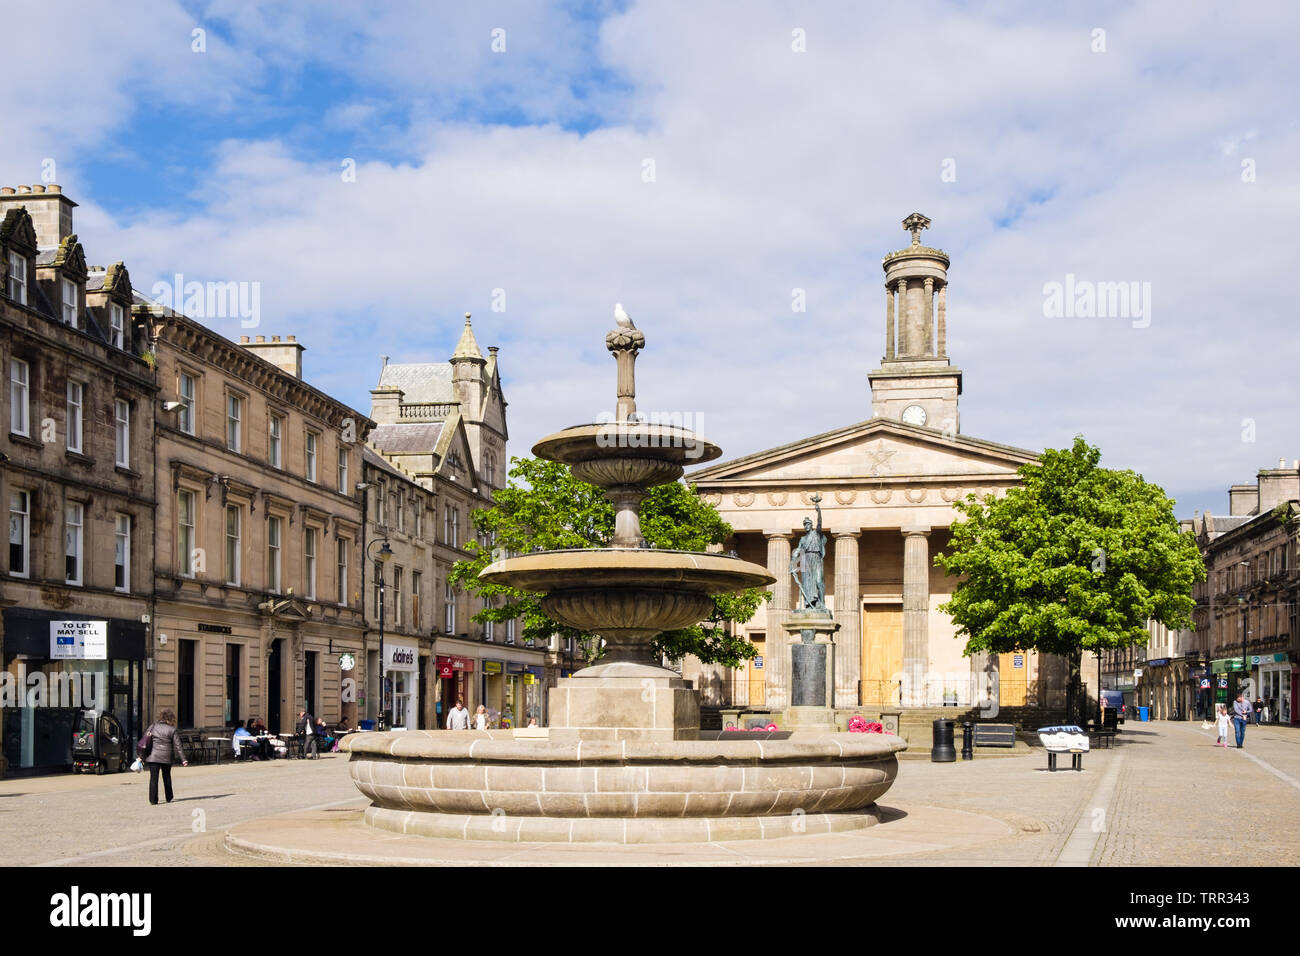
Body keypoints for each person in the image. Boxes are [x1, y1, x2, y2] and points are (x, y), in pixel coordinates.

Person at [143, 708, 188, 804]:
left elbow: (145, 740)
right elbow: (178, 745)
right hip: (166, 756)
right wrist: (183, 759)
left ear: (160, 717)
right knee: (166, 776)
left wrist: (142, 755)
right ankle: (169, 797)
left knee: (153, 779)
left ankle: (153, 800)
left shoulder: (153, 727)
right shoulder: (172, 729)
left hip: (153, 756)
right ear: (171, 718)